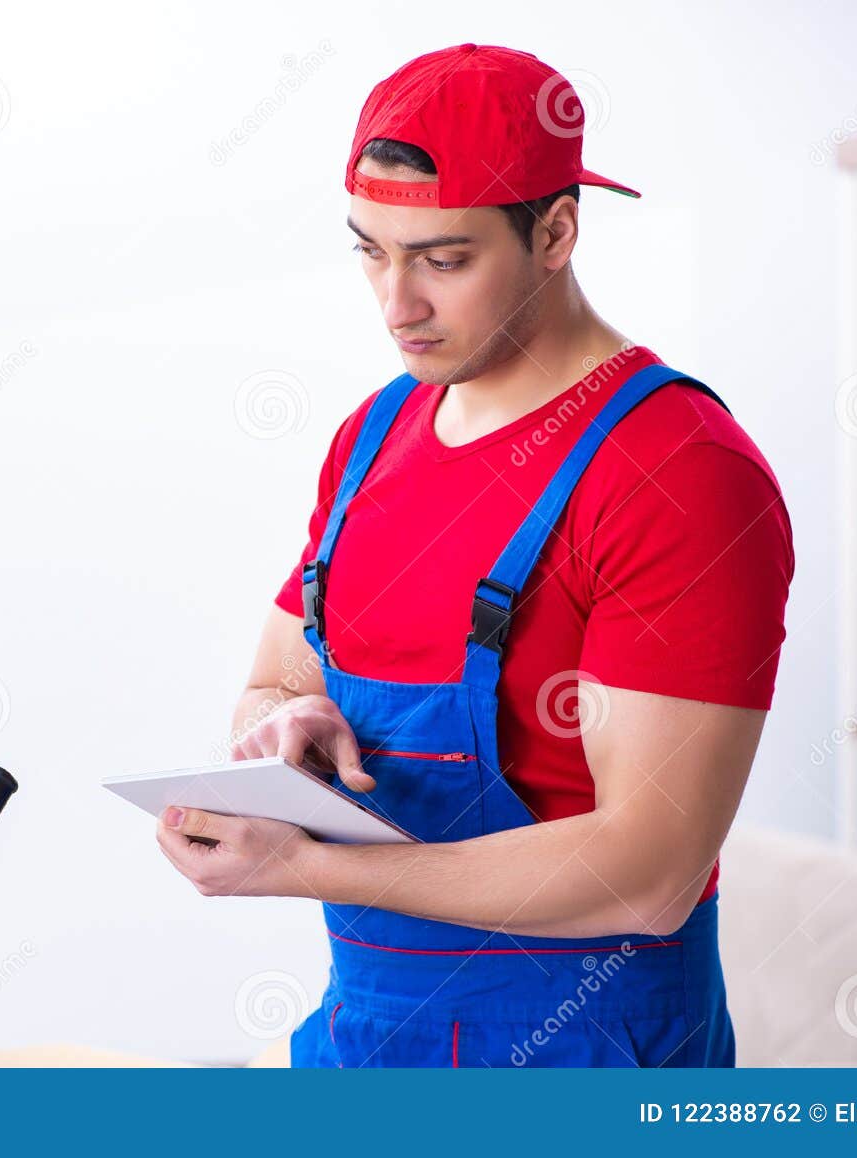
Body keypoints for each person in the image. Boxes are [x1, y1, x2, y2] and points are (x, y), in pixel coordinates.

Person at [153, 43, 794, 1068]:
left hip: (584, 1058)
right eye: (370, 250)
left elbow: (651, 871)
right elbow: (274, 674)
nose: (395, 303)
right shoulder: (375, 438)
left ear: (555, 231)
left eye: (442, 260)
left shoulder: (678, 472)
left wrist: (311, 866)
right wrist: (284, 726)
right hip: (361, 1039)